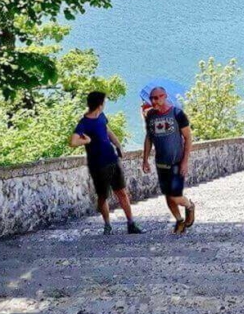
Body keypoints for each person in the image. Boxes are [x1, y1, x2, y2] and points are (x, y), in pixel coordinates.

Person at [70, 91, 143, 235]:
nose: (105, 104)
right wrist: (87, 141)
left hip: (112, 159)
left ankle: (131, 223)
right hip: (98, 164)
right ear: (99, 104)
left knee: (122, 192)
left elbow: (108, 132)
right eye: (104, 102)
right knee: (103, 195)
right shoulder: (84, 123)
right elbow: (73, 141)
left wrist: (118, 146)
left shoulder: (102, 117)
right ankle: (107, 225)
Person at [142, 86, 195, 233]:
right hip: (161, 163)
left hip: (176, 162)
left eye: (157, 97)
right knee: (168, 195)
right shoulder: (150, 116)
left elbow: (188, 137)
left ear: (164, 96)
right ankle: (179, 221)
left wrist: (185, 161)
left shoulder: (177, 114)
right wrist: (145, 159)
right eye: (152, 98)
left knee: (176, 197)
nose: (154, 100)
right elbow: (148, 137)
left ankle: (189, 206)